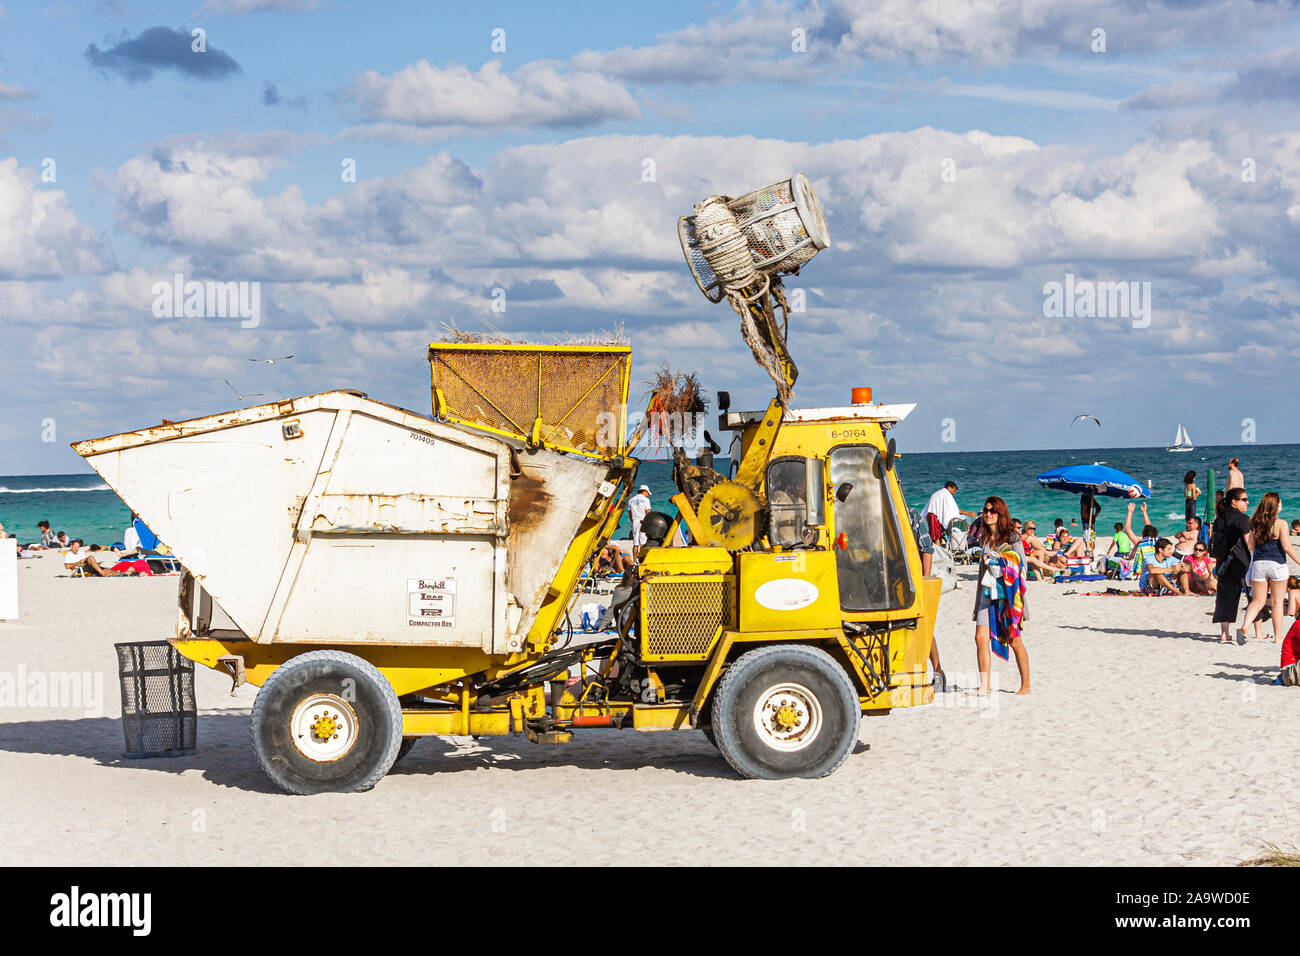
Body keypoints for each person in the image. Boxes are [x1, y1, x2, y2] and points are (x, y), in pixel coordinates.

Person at [971, 496, 1030, 695]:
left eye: (992, 511)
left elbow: (1022, 565)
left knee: (1014, 640)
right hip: (987, 594)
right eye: (985, 510)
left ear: (1000, 513)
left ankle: (1026, 686)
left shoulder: (1012, 537)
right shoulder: (984, 537)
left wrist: (1001, 561)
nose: (987, 514)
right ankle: (984, 685)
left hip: (1007, 596)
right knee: (980, 638)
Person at [1239, 492, 1300, 644]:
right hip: (1277, 565)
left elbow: (1250, 546)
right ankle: (1278, 637)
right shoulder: (1281, 524)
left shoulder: (1254, 523)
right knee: (1277, 603)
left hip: (1259, 565)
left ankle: (1244, 627)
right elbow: (1287, 547)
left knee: (1257, 601)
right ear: (1277, 505)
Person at [1211, 487, 1252, 644]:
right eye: (1244, 499)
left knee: (1225, 597)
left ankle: (1224, 634)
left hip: (1224, 562)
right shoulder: (1243, 519)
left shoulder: (1219, 518)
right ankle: (1258, 631)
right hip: (1241, 561)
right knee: (1253, 596)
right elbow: (1249, 544)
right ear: (1234, 502)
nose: (1247, 502)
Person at [920, 481, 975, 549]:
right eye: (953, 490)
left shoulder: (938, 493)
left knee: (936, 535)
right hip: (933, 516)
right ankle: (939, 552)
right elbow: (954, 510)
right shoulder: (946, 493)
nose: (953, 493)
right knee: (936, 536)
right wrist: (969, 513)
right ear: (949, 488)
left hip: (931, 515)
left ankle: (936, 550)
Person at [63, 539, 130, 577]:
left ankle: (122, 574)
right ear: (71, 546)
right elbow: (67, 566)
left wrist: (95, 563)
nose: (77, 549)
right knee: (90, 557)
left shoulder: (81, 552)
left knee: (106, 570)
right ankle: (102, 573)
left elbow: (87, 561)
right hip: (79, 569)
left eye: (78, 547)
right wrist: (78, 562)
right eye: (75, 547)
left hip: (88, 567)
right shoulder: (69, 554)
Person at [627, 485, 651, 560]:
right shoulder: (645, 500)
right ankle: (642, 559)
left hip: (635, 522)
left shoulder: (631, 500)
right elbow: (648, 511)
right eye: (648, 493)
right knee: (643, 542)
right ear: (644, 491)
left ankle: (634, 560)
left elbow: (629, 512)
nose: (648, 495)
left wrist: (632, 520)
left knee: (635, 543)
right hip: (643, 521)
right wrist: (650, 521)